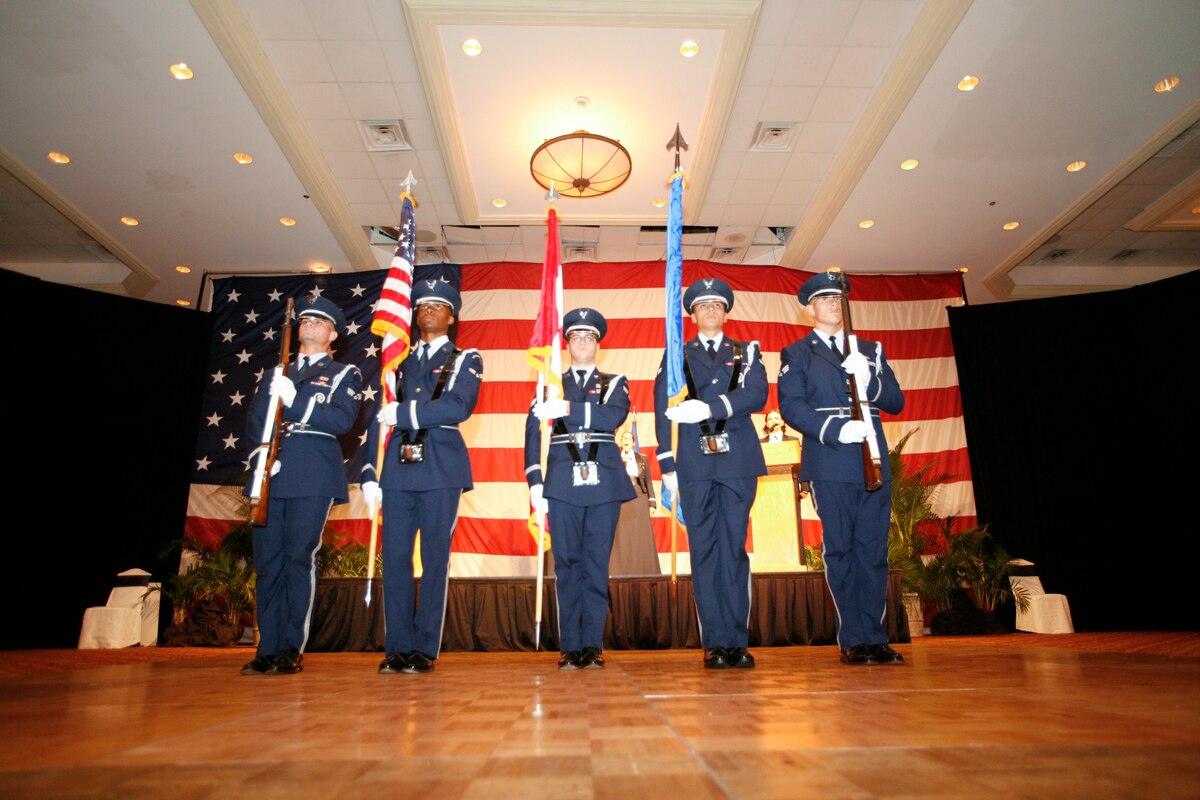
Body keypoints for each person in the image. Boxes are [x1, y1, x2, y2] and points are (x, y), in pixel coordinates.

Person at [778, 271, 906, 666]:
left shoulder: (869, 348)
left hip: (871, 458)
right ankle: (852, 637)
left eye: (839, 297)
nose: (834, 303)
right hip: (831, 458)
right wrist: (835, 428)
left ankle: (875, 636)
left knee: (872, 551)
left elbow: (897, 401)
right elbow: (792, 406)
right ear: (810, 308)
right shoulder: (797, 354)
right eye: (825, 298)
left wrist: (869, 379)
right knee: (841, 549)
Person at [361, 279, 483, 675]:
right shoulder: (397, 361)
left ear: (452, 316)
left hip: (440, 468)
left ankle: (424, 648)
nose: (428, 310)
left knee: (435, 559)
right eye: (422, 305)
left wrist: (407, 414)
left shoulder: (466, 358)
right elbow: (379, 417)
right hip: (396, 469)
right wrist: (368, 472)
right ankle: (397, 647)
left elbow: (458, 405)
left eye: (438, 305)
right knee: (395, 559)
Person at [241, 296, 363, 675]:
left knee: (298, 558)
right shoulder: (276, 373)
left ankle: (290, 647)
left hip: (313, 470)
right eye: (306, 319)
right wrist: (262, 461)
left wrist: (297, 402)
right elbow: (254, 425)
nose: (309, 323)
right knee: (268, 563)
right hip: (274, 470)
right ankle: (267, 648)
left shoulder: (345, 373)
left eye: (319, 321)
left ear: (333, 335)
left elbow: (341, 420)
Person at [654, 278, 767, 669]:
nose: (710, 311)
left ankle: (738, 641)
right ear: (691, 314)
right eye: (702, 306)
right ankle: (716, 643)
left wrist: (711, 407)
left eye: (717, 305)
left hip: (736, 463)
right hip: (694, 464)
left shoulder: (747, 352)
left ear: (726, 311)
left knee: (733, 551)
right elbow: (660, 408)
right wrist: (666, 463)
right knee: (703, 553)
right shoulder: (675, 355)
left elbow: (756, 394)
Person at [526, 308, 633, 670]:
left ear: (598, 345)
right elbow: (532, 438)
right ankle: (571, 645)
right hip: (560, 483)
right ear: (567, 344)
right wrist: (534, 482)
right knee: (568, 565)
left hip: (603, 482)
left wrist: (568, 408)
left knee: (596, 564)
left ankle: (593, 644)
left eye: (589, 337)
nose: (583, 342)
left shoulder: (615, 381)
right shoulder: (548, 386)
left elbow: (611, 416)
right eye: (575, 337)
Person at [611, 428, 661, 576]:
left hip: (639, 497)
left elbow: (649, 482)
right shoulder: (615, 459)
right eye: (624, 438)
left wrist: (652, 502)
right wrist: (622, 463)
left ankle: (643, 569)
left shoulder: (642, 458)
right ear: (621, 442)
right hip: (621, 498)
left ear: (633, 442)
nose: (626, 440)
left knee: (640, 536)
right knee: (622, 535)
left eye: (629, 438)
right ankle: (620, 569)